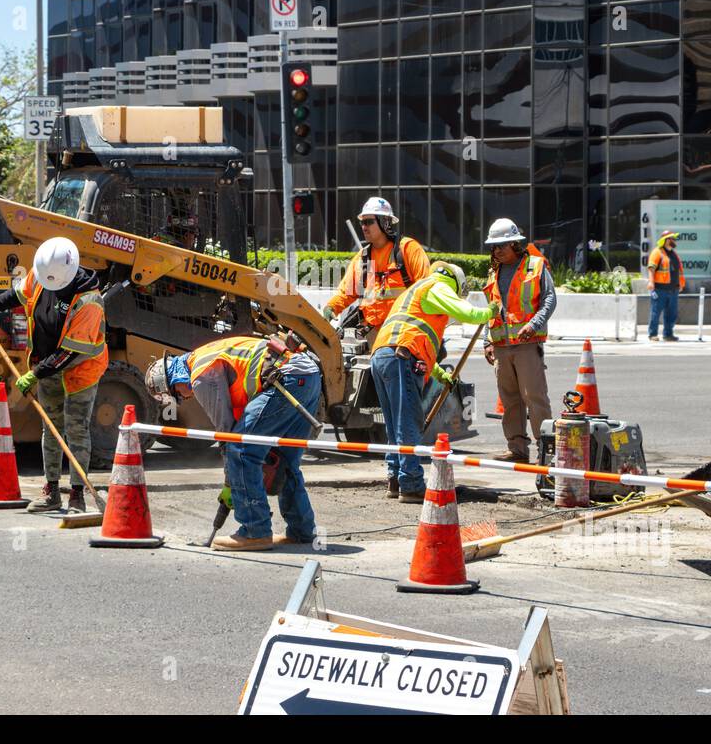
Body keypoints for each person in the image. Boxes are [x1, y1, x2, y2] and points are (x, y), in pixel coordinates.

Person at [0, 237, 108, 513]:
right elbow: (19, 294)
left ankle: (77, 494)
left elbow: (69, 354)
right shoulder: (43, 273)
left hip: (81, 369)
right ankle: (51, 491)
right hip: (46, 363)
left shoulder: (89, 301)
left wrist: (34, 375)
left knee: (76, 429)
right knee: (51, 428)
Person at [144, 335, 320, 551]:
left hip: (285, 379)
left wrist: (231, 477)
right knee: (284, 458)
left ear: (173, 380)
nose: (183, 399)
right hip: (307, 376)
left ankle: (255, 531)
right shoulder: (205, 353)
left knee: (241, 451)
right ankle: (301, 531)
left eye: (177, 394)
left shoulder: (201, 374)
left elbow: (228, 433)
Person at [369, 262, 499, 502]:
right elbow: (469, 313)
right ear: (455, 281)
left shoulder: (416, 290)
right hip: (401, 357)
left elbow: (414, 335)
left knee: (394, 423)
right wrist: (490, 311)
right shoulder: (438, 286)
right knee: (408, 422)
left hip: (384, 356)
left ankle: (395, 480)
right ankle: (411, 483)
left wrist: (439, 374)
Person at [482, 219, 557, 463]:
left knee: (534, 398)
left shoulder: (535, 266)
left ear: (515, 243)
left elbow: (549, 300)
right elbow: (491, 310)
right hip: (502, 347)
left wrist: (533, 324)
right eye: (494, 247)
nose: (497, 251)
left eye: (501, 245)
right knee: (509, 400)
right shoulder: (494, 271)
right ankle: (516, 449)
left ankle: (547, 450)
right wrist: (487, 341)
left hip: (527, 344)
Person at [324, 196, 429, 334]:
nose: (364, 227)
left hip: (404, 331)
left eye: (368, 222)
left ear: (384, 222)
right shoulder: (363, 257)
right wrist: (331, 307)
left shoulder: (408, 249)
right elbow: (347, 292)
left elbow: (426, 289)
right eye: (362, 222)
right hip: (373, 332)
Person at [647, 230, 686, 342]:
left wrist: (681, 284)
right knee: (656, 312)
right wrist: (651, 282)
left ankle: (668, 334)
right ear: (667, 240)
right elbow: (651, 268)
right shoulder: (657, 252)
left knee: (671, 314)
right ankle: (652, 334)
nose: (675, 241)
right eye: (673, 238)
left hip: (673, 289)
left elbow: (678, 271)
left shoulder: (674, 254)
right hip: (660, 289)